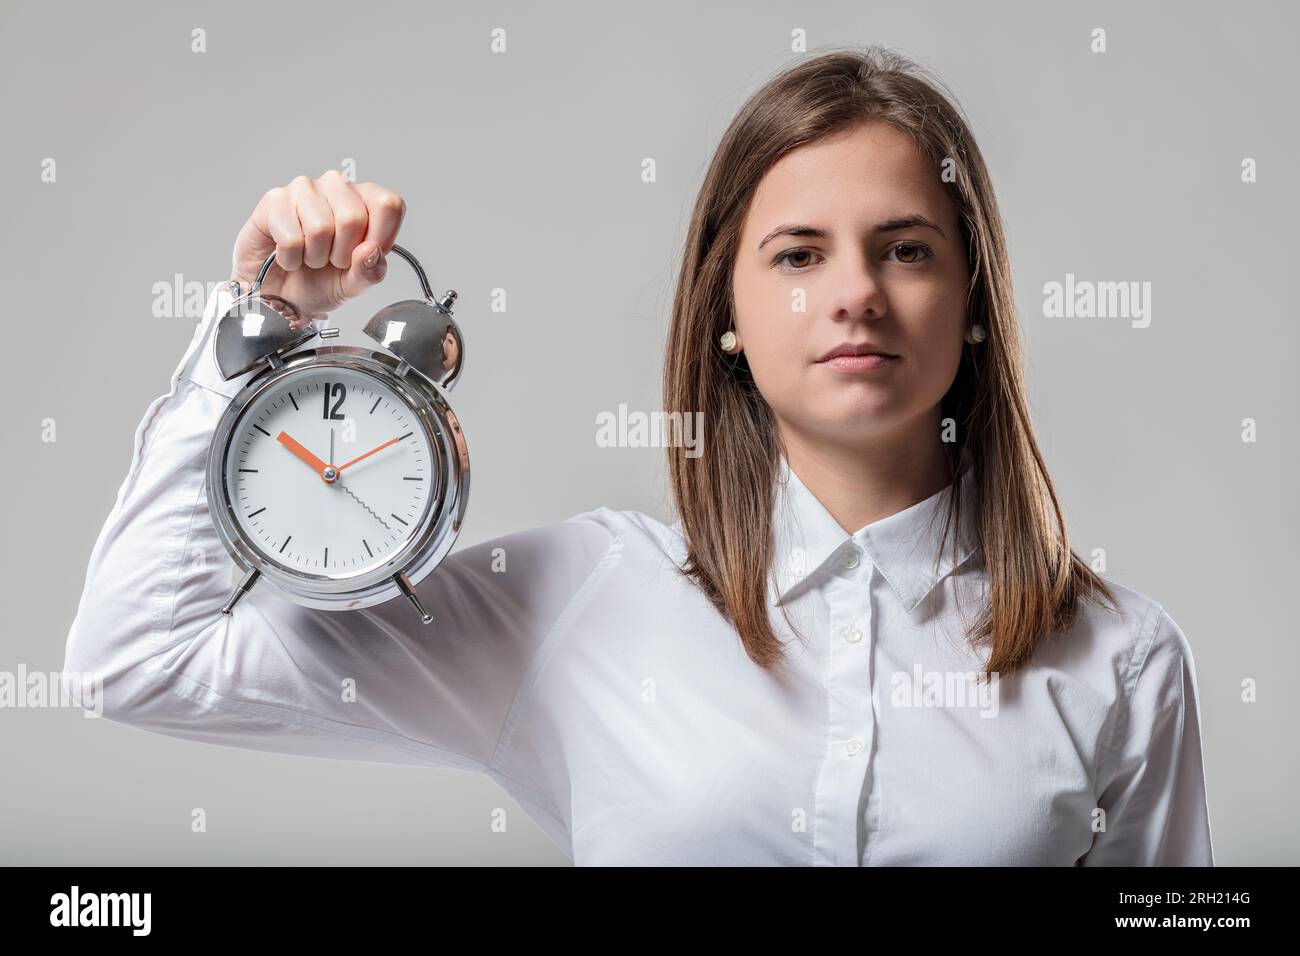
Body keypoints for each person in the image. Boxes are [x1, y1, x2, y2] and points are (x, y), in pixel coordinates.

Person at [63, 46, 1213, 866]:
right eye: (799, 255)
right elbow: (138, 657)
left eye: (906, 249)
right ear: (727, 310)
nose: (856, 293)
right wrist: (262, 331)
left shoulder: (1121, 661)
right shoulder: (582, 604)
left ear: (971, 303)